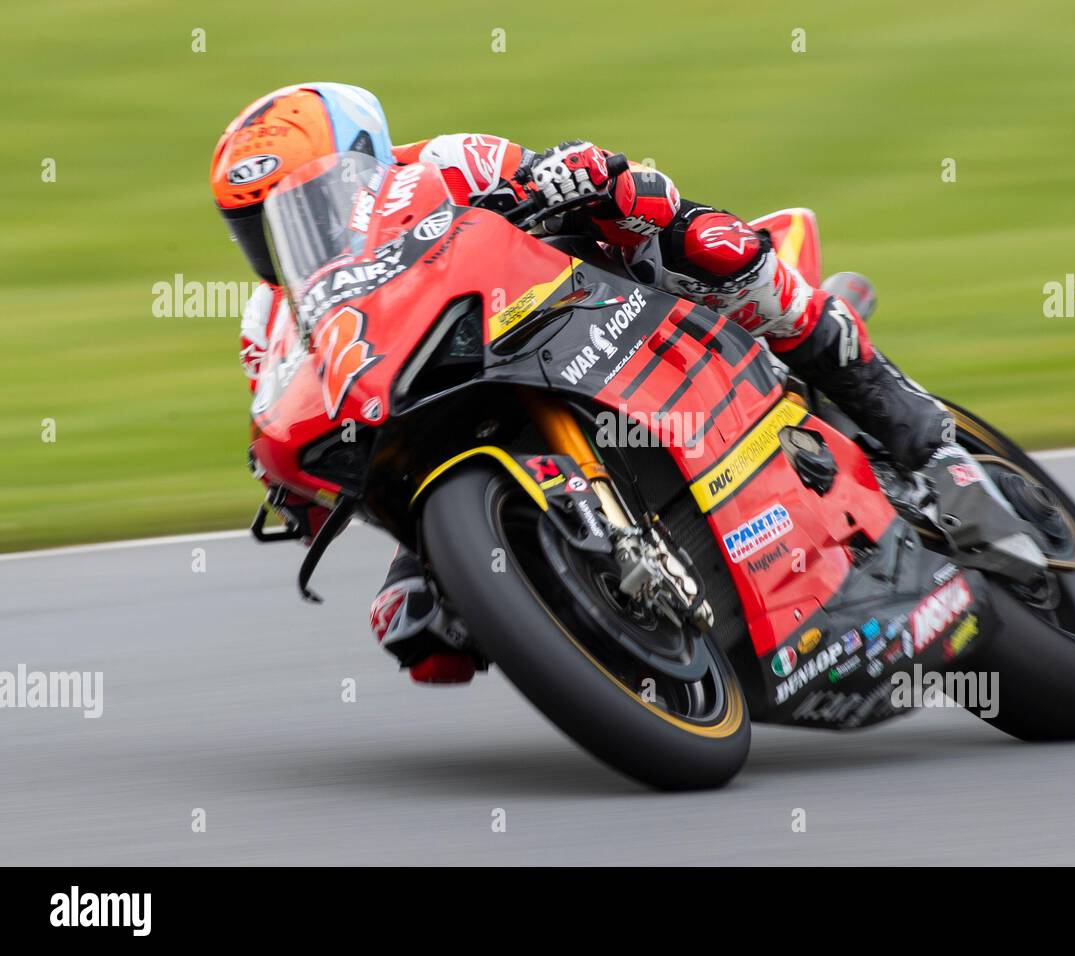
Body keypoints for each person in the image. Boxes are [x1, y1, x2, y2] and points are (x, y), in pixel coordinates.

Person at [211, 82, 1018, 685]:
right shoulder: (268, 320)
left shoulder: (445, 163)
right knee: (423, 640)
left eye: (299, 196)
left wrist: (571, 176)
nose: (278, 230)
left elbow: (565, 176)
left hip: (581, 308)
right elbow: (283, 405)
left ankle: (909, 423)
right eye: (255, 221)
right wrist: (292, 485)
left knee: (694, 232)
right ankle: (599, 609)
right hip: (440, 416)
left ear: (364, 156)